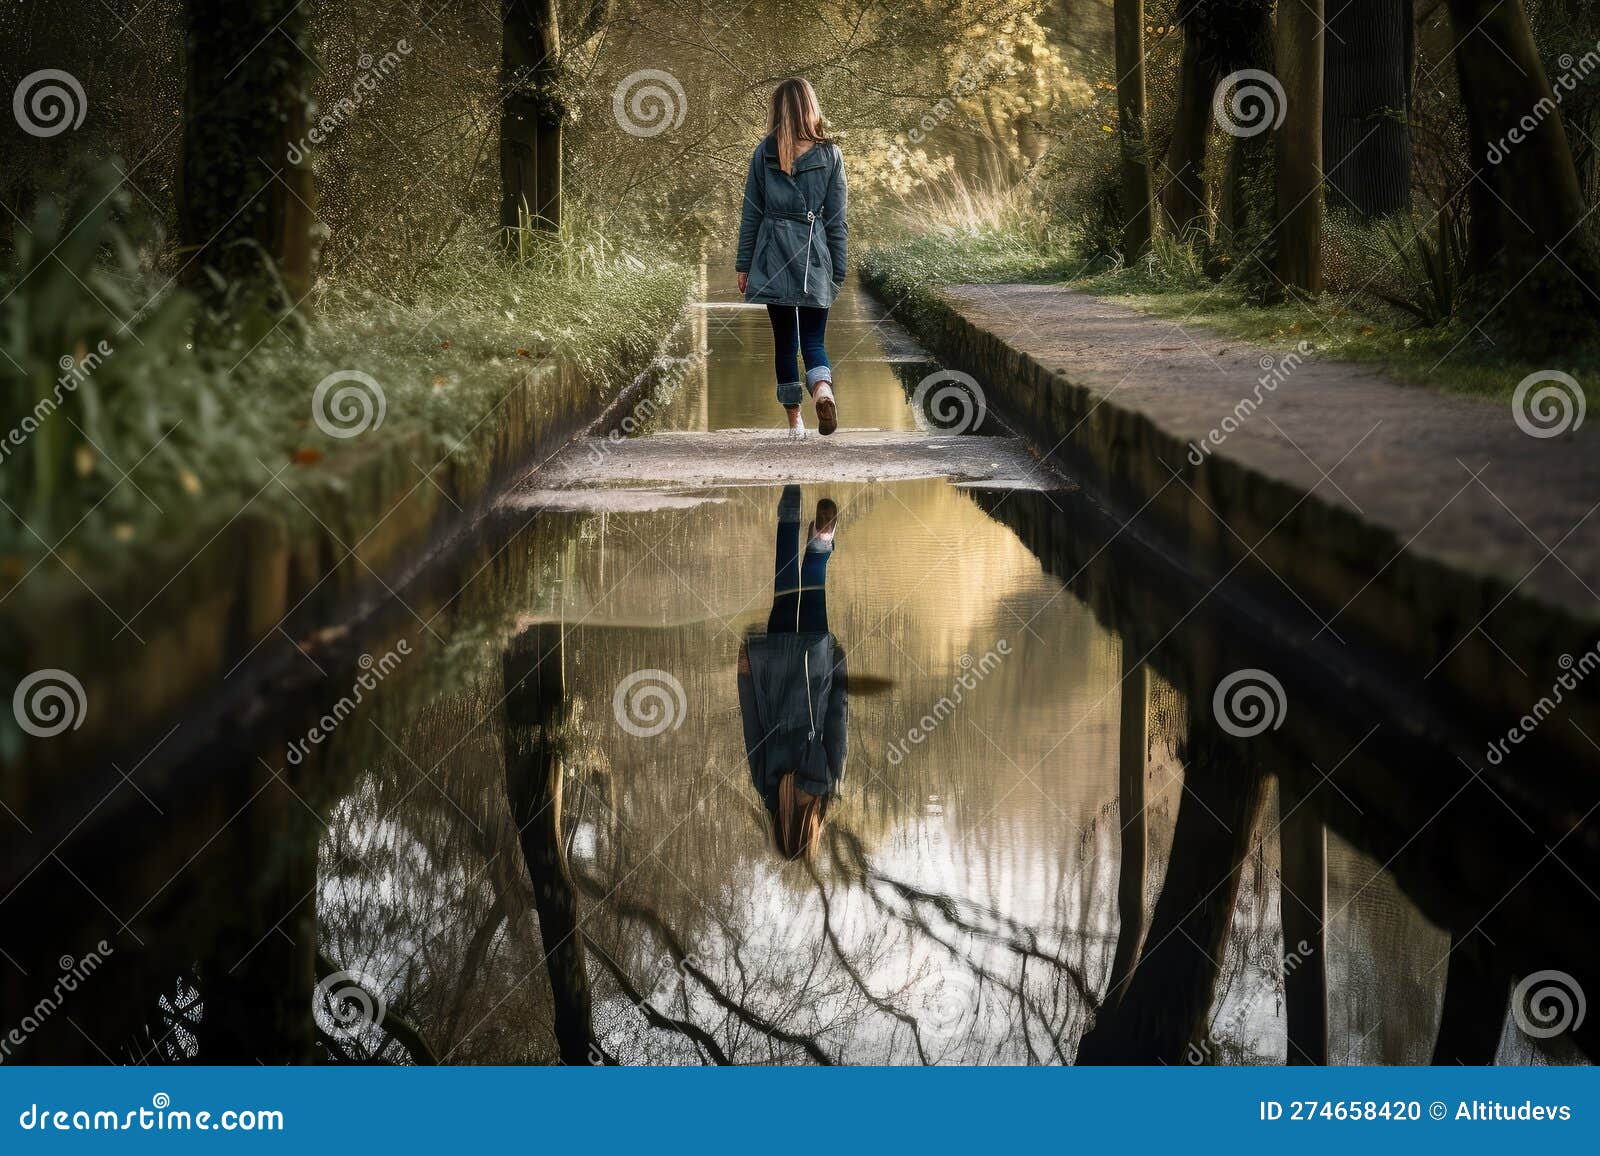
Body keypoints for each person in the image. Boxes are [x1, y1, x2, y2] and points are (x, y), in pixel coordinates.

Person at [735, 78, 849, 439]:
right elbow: (836, 220)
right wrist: (838, 269)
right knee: (814, 341)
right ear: (811, 107)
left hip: (772, 258)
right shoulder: (831, 155)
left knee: (785, 342)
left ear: (778, 109)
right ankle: (823, 391)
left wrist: (744, 264)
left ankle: (795, 422)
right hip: (815, 256)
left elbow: (751, 213)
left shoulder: (764, 152)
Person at [737, 485, 847, 859]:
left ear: (809, 828)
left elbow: (838, 717)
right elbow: (751, 725)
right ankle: (789, 507)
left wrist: (839, 666)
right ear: (779, 828)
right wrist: (745, 675)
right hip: (774, 670)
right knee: (785, 588)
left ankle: (821, 539)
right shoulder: (766, 784)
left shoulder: (827, 782)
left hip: (814, 667)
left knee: (814, 592)